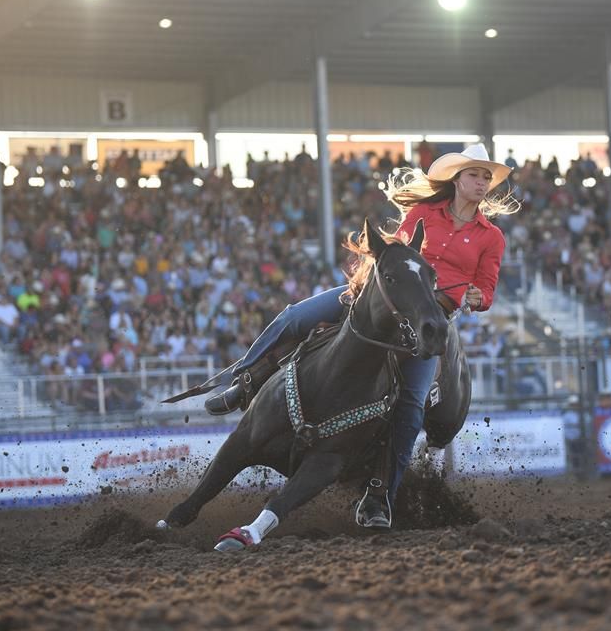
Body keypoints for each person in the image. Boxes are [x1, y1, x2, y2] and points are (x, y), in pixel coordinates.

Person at [207, 143, 518, 530]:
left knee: (412, 401)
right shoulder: (422, 214)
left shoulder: (491, 237)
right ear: (457, 178)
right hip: (383, 300)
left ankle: (380, 495)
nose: (482, 181)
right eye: (475, 174)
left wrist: (477, 297)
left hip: (430, 317)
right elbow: (391, 258)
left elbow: (486, 288)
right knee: (297, 316)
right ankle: (246, 381)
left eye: (487, 176)